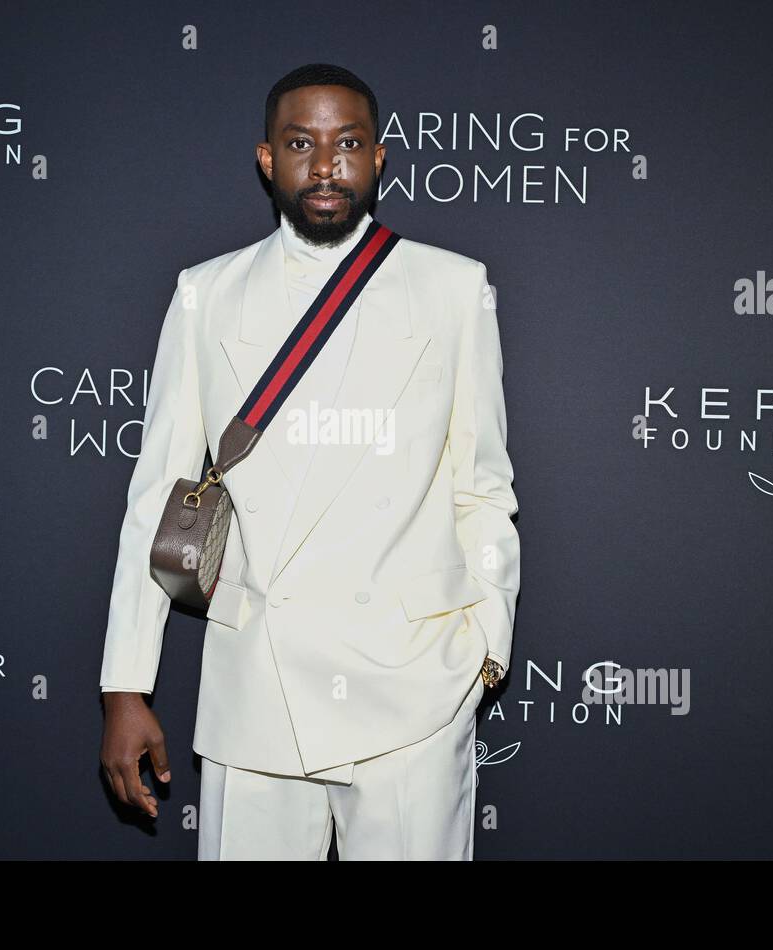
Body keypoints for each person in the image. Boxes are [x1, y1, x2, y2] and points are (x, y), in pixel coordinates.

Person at [98, 62, 520, 860]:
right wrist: (125, 685)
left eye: (347, 144)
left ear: (379, 157)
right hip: (258, 687)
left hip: (415, 688)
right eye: (302, 144)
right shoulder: (204, 296)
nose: (326, 167)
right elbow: (157, 499)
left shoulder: (454, 290)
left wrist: (486, 642)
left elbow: (483, 483)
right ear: (268, 160)